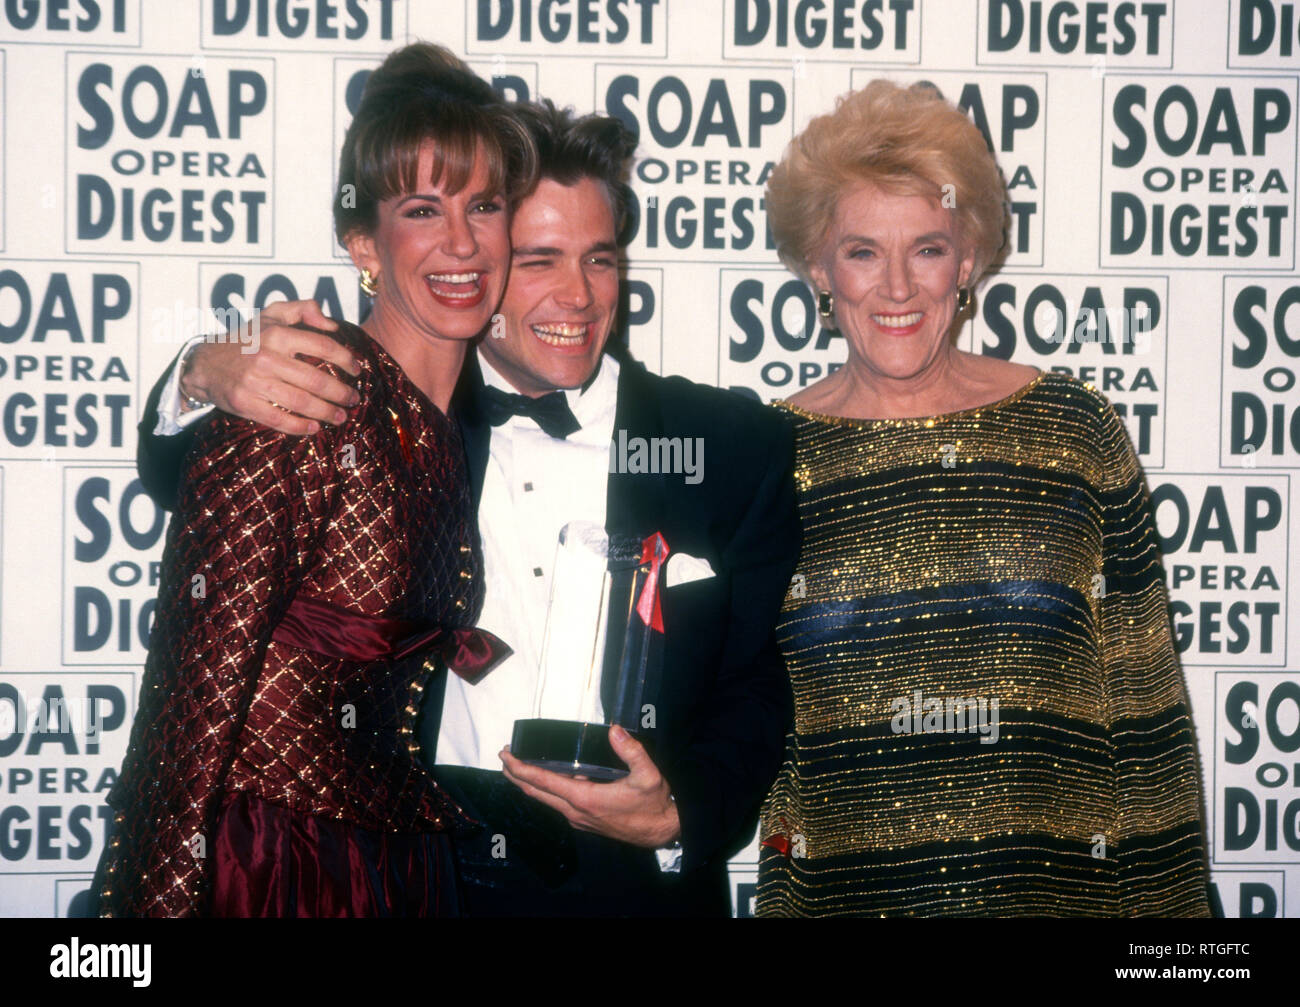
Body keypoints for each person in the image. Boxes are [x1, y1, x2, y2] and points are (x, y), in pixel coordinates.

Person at [134, 99, 799, 916]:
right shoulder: (397, 420)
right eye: (538, 259)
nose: (578, 298)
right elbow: (190, 482)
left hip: (633, 890)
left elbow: (759, 684)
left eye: (600, 259)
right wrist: (202, 368)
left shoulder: (730, 444)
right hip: (419, 876)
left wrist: (677, 816)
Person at [91, 42, 531, 917]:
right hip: (266, 868)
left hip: (399, 865)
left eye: (484, 205)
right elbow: (191, 703)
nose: (462, 242)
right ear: (363, 241)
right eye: (421, 208)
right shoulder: (297, 389)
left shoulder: (467, 419)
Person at [754, 79, 1212, 917]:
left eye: (926, 248)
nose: (897, 287)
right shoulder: (764, 457)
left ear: (966, 261)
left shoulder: (1074, 433)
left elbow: (1148, 725)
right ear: (819, 267)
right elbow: (742, 741)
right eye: (862, 251)